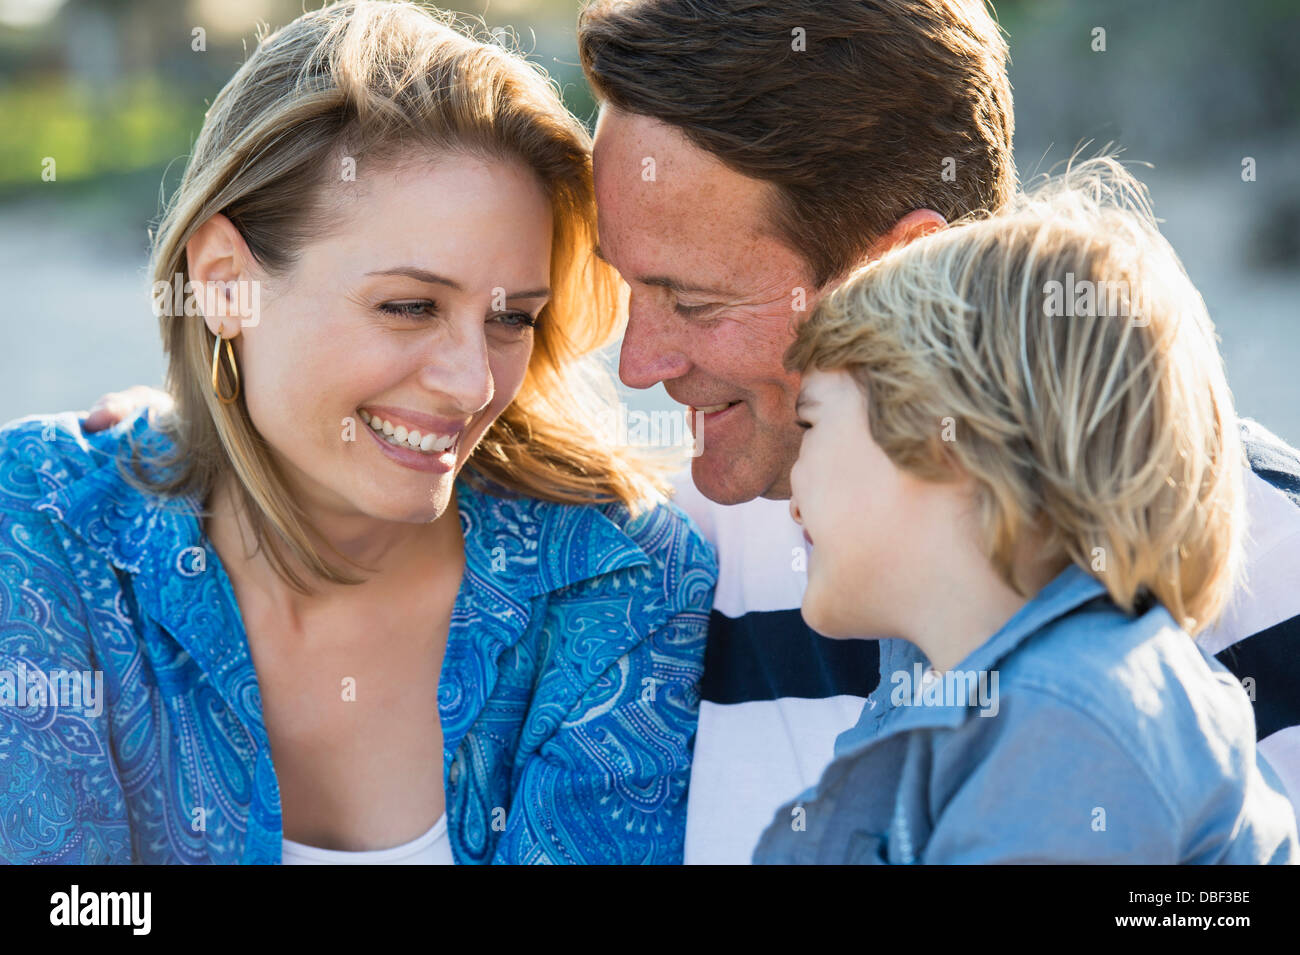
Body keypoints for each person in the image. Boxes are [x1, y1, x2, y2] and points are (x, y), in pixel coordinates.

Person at [85, 0, 1300, 863]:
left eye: (693, 301)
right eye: (622, 285)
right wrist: (197, 440)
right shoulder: (660, 566)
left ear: (902, 278)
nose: (637, 362)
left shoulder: (1268, 575)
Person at [0, 0, 716, 865]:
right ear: (226, 283)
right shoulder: (44, 527)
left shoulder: (616, 580)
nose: (472, 380)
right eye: (409, 306)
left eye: (512, 319)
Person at [755, 159, 1298, 863]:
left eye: (813, 422)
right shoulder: (991, 702)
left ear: (940, 436)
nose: (793, 481)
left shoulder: (1076, 716)